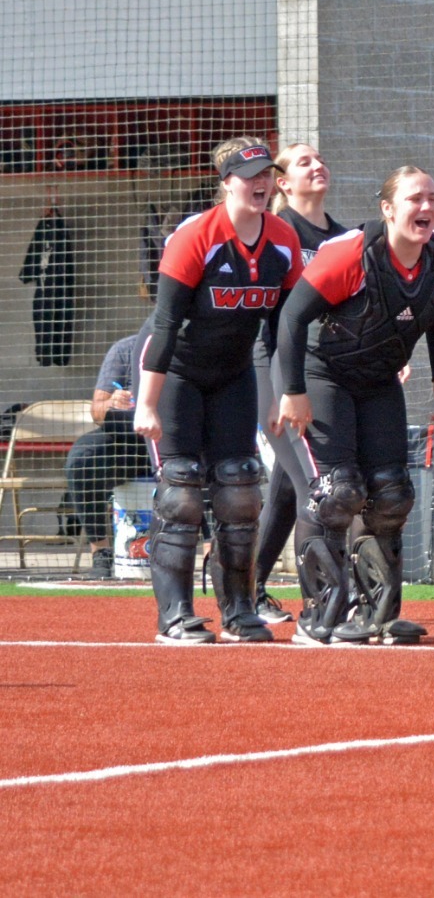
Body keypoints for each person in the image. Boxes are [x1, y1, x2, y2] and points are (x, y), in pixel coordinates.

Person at [273, 167, 434, 645]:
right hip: (323, 374)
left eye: (433, 198)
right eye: (415, 198)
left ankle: (375, 615)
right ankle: (318, 617)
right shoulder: (351, 253)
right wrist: (293, 391)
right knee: (337, 492)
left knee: (391, 494)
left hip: (377, 382)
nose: (427, 208)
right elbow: (292, 318)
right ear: (388, 209)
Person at [133, 137, 304, 643]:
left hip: (233, 376)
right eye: (248, 175)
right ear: (226, 182)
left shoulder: (281, 240)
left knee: (240, 489)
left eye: (266, 174)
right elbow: (163, 327)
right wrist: (145, 403)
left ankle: (239, 610)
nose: (260, 183)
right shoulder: (194, 237)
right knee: (182, 492)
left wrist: (285, 391)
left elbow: (285, 327)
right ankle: (176, 616)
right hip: (179, 375)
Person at [253, 142, 349, 625]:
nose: (317, 163)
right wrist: (279, 387)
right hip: (276, 366)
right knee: (315, 483)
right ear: (283, 183)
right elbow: (274, 318)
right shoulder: (278, 230)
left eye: (320, 156)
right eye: (304, 161)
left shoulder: (345, 236)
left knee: (290, 490)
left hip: (327, 371)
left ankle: (246, 585)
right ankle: (324, 599)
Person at [63, 333, 150, 577]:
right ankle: (101, 553)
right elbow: (97, 410)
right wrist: (112, 402)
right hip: (130, 446)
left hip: (179, 441)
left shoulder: (195, 344)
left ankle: (211, 552)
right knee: (82, 458)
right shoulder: (125, 349)